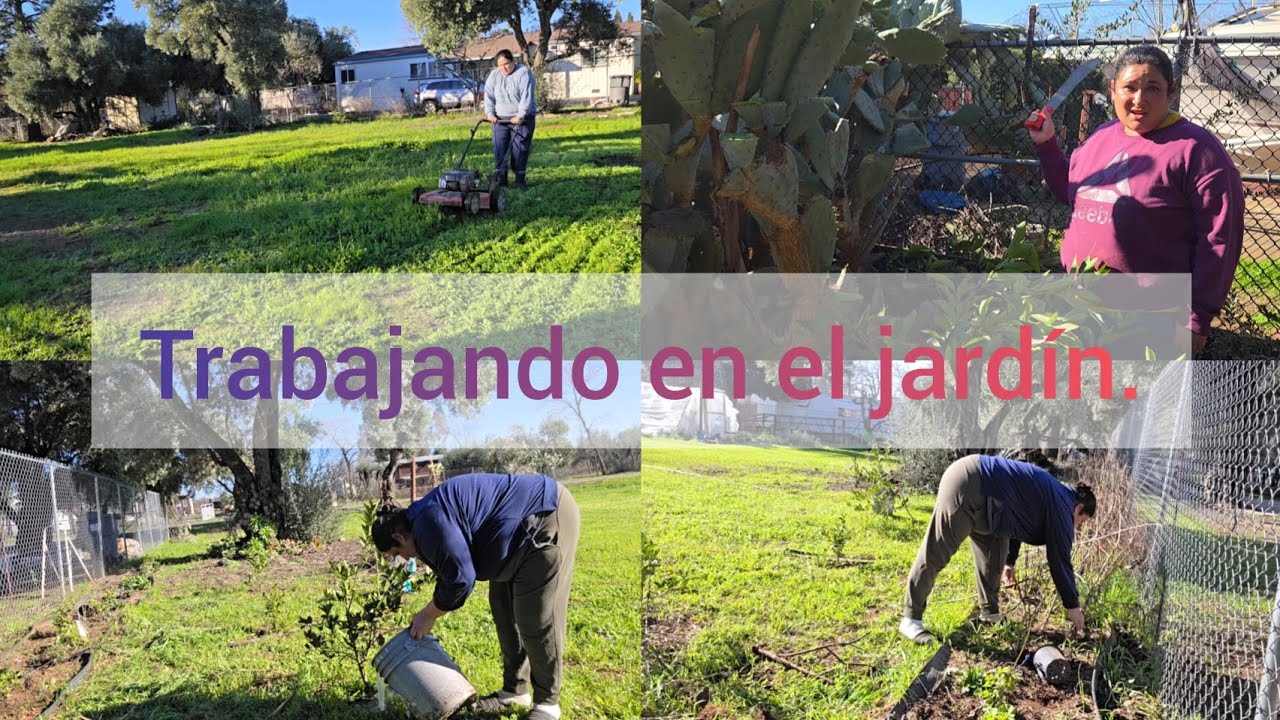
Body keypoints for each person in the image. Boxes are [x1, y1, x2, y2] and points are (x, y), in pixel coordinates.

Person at [1027, 44, 1245, 354]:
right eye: (1129, 87)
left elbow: (1219, 238)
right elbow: (1072, 192)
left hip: (1151, 319)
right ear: (1113, 90)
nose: (1139, 100)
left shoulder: (1197, 150)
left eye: (1153, 88)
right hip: (1081, 307)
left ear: (1172, 92)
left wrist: (1198, 317)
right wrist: (1047, 145)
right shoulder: (1102, 136)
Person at [372, 472, 579, 720]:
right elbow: (450, 564)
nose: (405, 559)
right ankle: (515, 691)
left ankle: (548, 705)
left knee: (536, 616)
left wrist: (428, 615)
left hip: (543, 516)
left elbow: (460, 578)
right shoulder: (420, 521)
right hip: (512, 538)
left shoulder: (427, 523)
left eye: (398, 552)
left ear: (399, 536)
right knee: (504, 611)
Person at [898, 454, 1096, 644]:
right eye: (1081, 522)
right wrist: (1073, 606)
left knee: (995, 556)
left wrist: (1010, 562)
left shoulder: (1056, 496)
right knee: (937, 551)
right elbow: (1060, 561)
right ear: (1079, 509)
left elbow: (1019, 519)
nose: (1076, 527)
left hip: (993, 505)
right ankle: (911, 618)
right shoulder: (1063, 507)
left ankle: (990, 613)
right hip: (970, 483)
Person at [484, 49, 538, 190]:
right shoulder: (494, 75)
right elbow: (488, 96)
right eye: (500, 65)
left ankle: (520, 179)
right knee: (499, 149)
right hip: (500, 119)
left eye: (506, 64)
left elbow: (527, 97)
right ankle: (501, 180)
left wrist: (520, 115)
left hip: (522, 118)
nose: (503, 68)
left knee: (519, 150)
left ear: (513, 61)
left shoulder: (524, 73)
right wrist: (490, 114)